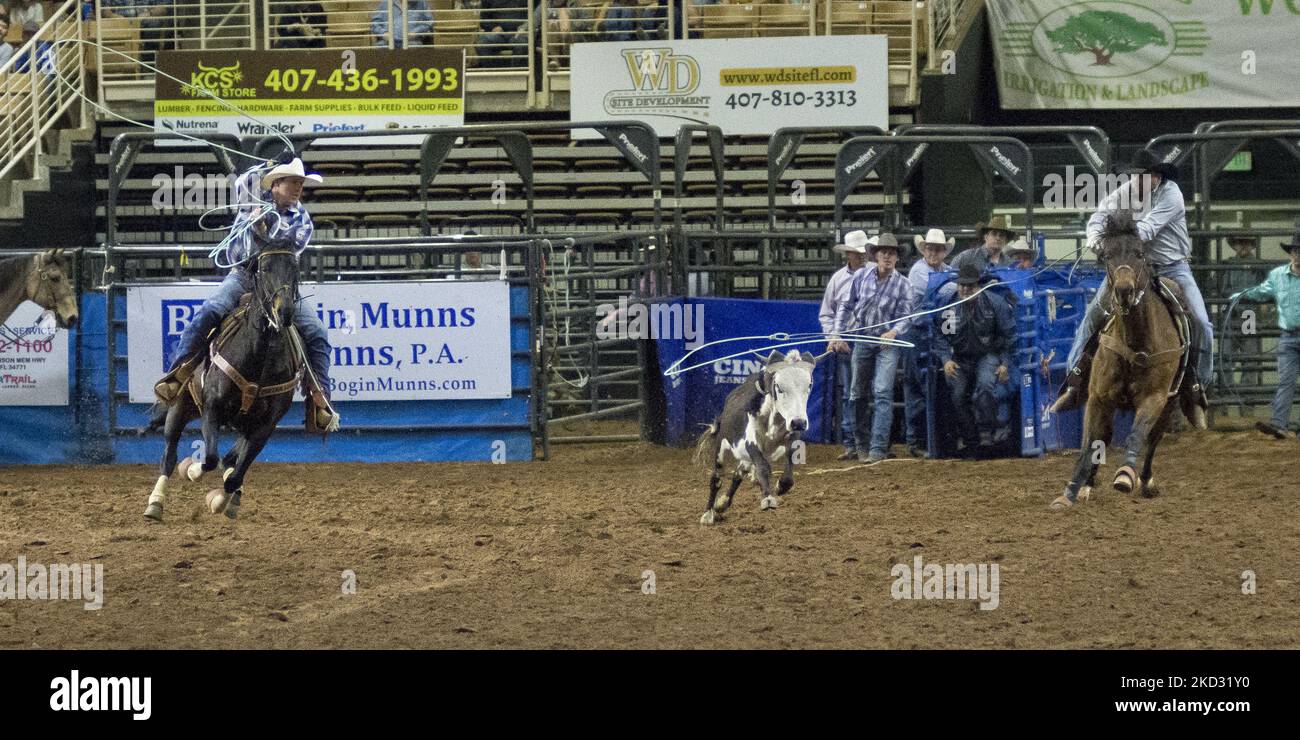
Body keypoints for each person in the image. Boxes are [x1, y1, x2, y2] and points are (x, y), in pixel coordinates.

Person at [153, 157, 340, 433]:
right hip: (243, 276)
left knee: (316, 332)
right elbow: (243, 180)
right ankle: (178, 374)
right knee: (209, 312)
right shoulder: (251, 197)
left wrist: (263, 230)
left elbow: (285, 249)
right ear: (276, 184)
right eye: (293, 182)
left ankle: (320, 397)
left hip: (276, 283)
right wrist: (267, 166)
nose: (299, 189)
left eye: (301, 184)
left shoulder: (302, 219)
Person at [1048, 149, 1212, 428]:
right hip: (1132, 267)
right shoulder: (1124, 193)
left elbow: (1145, 231)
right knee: (1093, 315)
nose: (1136, 181)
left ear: (1156, 178)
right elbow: (1097, 219)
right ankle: (1075, 382)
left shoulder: (1172, 195)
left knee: (1201, 322)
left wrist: (1114, 239)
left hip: (1172, 266)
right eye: (1134, 176)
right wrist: (1096, 241)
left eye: (1142, 176)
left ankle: (1196, 388)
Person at [830, 233, 913, 464]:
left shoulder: (904, 284)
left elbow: (907, 317)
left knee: (882, 392)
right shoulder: (861, 276)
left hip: (888, 344)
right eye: (883, 252)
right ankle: (861, 445)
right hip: (863, 338)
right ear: (875, 255)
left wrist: (894, 331)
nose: (887, 256)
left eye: (892, 253)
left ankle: (876, 448)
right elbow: (845, 306)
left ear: (897, 258)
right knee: (857, 394)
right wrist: (837, 332)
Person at [934, 262, 1017, 459]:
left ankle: (986, 432)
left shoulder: (994, 304)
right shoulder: (951, 307)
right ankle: (972, 440)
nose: (964, 289)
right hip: (961, 358)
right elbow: (943, 337)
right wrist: (946, 359)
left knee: (986, 385)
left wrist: (1005, 363)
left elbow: (1008, 336)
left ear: (978, 286)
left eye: (969, 286)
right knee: (958, 394)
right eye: (962, 285)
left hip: (987, 355)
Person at [1232, 229, 1300, 439]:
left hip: (1288, 337)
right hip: (1288, 336)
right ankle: (1279, 424)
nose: (1298, 255)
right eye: (1295, 251)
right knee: (1285, 381)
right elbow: (1261, 291)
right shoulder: (1278, 276)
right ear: (1291, 253)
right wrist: (1239, 295)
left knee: (1285, 381)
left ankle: (1281, 424)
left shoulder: (1278, 275)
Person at [902, 228, 955, 458]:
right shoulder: (918, 271)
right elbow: (942, 292)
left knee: (935, 386)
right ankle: (916, 440)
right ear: (924, 250)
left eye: (938, 249)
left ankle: (933, 439)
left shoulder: (946, 271)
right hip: (918, 331)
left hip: (940, 332)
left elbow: (950, 289)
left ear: (944, 252)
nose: (933, 252)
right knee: (918, 386)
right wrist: (954, 286)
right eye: (930, 248)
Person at [820, 230, 869, 461]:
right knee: (852, 393)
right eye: (856, 253)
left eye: (862, 253)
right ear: (848, 254)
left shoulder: (873, 276)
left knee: (862, 392)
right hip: (846, 338)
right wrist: (834, 338)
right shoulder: (838, 279)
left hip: (868, 338)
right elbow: (827, 313)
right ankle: (853, 443)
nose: (860, 257)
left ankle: (864, 442)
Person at [1223, 235, 1267, 387]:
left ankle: (1246, 399)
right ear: (1235, 245)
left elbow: (1265, 289)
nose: (1242, 246)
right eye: (1239, 243)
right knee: (1226, 357)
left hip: (1249, 314)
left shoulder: (1258, 266)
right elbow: (1224, 289)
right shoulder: (1229, 265)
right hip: (1234, 314)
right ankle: (1227, 397)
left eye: (1246, 243)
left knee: (1249, 357)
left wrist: (1262, 301)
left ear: (1251, 245)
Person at [101, 0, 173, 65]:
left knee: (153, 24)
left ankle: (149, 67)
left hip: (147, 18)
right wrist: (114, 17)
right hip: (118, 21)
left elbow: (165, 5)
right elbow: (104, 9)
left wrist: (150, 13)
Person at [950, 214, 1015, 274]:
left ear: (1005, 240)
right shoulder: (967, 257)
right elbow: (950, 277)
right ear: (986, 237)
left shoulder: (1009, 263)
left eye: (1002, 235)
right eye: (994, 234)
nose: (998, 238)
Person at [476, 0, 528, 67]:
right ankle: (495, 74)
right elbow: (484, 21)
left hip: (520, 33)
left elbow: (536, 12)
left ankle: (517, 75)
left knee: (523, 43)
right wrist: (493, 27)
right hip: (498, 34)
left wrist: (525, 27)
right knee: (482, 43)